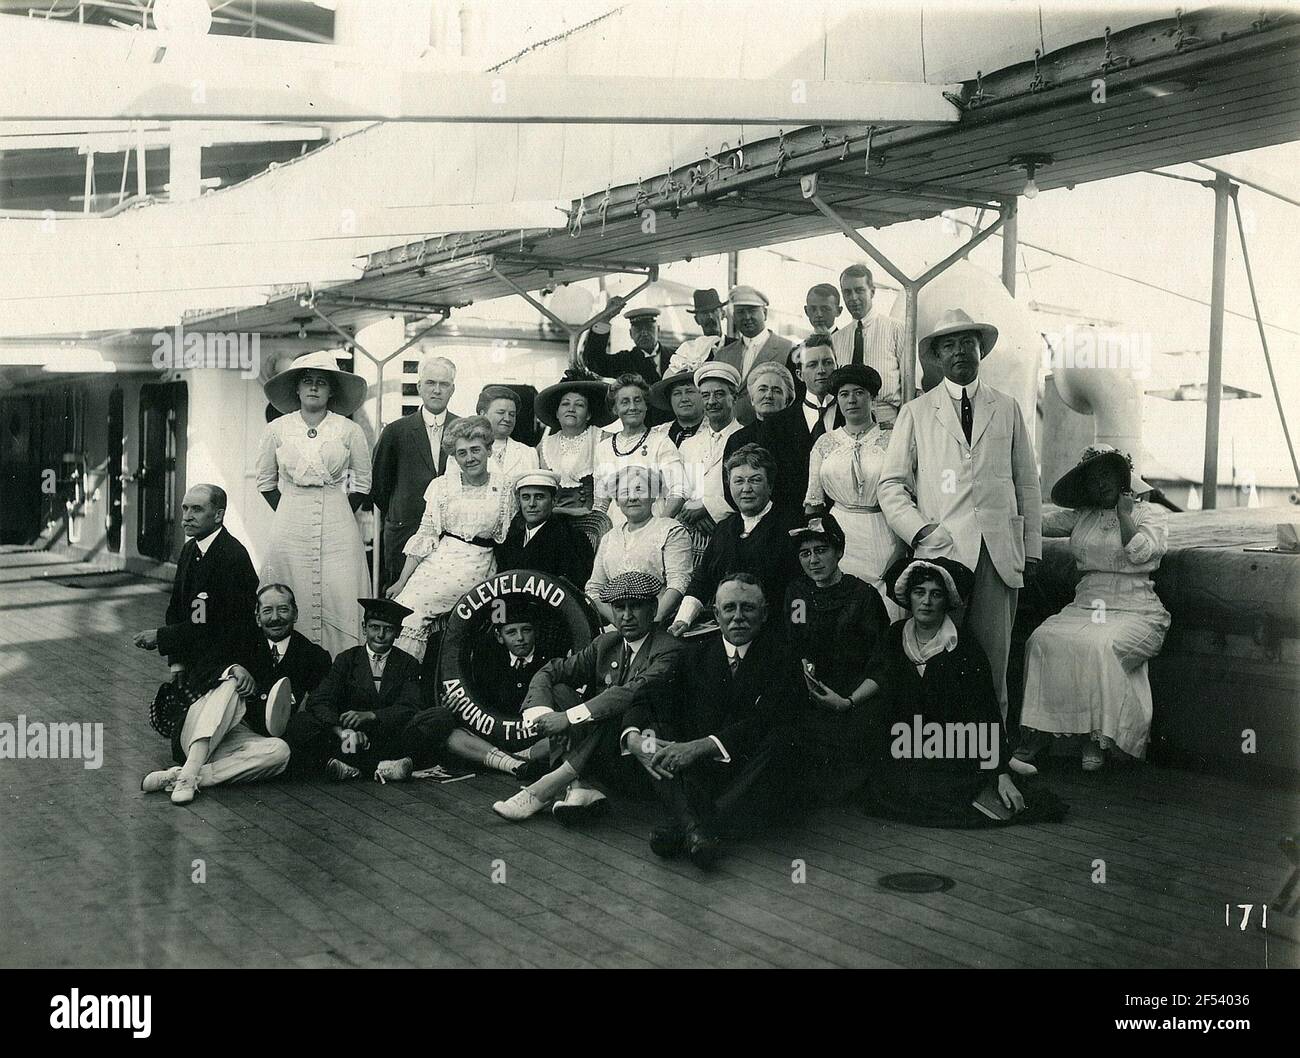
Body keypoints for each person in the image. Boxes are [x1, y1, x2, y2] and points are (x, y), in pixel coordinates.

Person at [878, 308, 1042, 716]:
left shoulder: (1006, 408)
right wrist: (920, 533)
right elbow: (891, 485)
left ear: (980, 350)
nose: (959, 352)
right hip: (940, 554)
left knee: (993, 662)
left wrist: (1032, 548)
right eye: (949, 345)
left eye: (967, 343)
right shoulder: (916, 412)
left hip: (996, 555)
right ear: (936, 356)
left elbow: (1027, 483)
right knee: (934, 657)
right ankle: (938, 763)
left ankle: (994, 761)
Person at [857, 557, 1065, 827]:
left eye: (936, 594)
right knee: (890, 792)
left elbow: (986, 711)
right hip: (907, 741)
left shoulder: (964, 646)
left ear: (947, 601)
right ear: (909, 597)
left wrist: (999, 772)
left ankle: (1005, 769)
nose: (927, 602)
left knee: (949, 797)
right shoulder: (896, 635)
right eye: (919, 593)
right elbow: (881, 683)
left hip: (951, 743)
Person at [627, 573, 802, 869]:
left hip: (748, 776)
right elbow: (647, 698)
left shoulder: (782, 660)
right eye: (729, 608)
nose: (738, 617)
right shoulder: (693, 656)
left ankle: (691, 823)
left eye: (748, 608)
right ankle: (696, 829)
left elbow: (765, 722)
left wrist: (701, 746)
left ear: (764, 613)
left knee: (783, 737)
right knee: (652, 731)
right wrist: (632, 738)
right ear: (716, 614)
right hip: (699, 775)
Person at [1014, 445, 1171, 772]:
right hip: (1087, 603)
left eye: (1106, 475)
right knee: (1041, 640)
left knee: (1099, 646)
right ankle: (1037, 734)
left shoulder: (1149, 514)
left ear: (1121, 476)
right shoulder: (1083, 515)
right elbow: (1038, 523)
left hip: (1136, 607)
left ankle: (1095, 739)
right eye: (1093, 479)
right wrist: (1002, 505)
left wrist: (1124, 514)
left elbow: (1142, 553)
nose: (1100, 484)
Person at [492, 571, 686, 823]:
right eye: (619, 607)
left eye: (635, 607)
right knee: (561, 689)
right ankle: (580, 787)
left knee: (613, 711)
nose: (626, 616)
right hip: (601, 755)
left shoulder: (669, 649)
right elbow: (551, 670)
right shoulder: (607, 643)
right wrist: (542, 713)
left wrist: (568, 718)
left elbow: (630, 694)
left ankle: (546, 787)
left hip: (643, 756)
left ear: (653, 608)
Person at [256, 350, 372, 655]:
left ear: (332, 389)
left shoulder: (350, 430)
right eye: (307, 380)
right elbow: (266, 482)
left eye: (322, 382)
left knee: (340, 593)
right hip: (289, 525)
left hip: (338, 527)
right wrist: (290, 509)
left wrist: (339, 511)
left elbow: (362, 481)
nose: (314, 387)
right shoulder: (276, 429)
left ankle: (341, 669)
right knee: (288, 592)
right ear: (296, 387)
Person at [783, 513, 891, 805]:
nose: (813, 560)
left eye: (821, 550)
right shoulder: (798, 595)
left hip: (856, 695)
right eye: (805, 553)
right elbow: (796, 639)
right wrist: (805, 665)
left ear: (839, 551)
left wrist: (847, 701)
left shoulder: (863, 597)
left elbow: (882, 663)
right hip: (813, 690)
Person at [386, 416, 515, 663]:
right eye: (461, 453)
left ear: (489, 450)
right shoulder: (441, 487)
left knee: (413, 612)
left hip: (477, 564)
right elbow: (426, 534)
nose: (470, 458)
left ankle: (408, 677)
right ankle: (403, 684)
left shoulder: (505, 488)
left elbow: (509, 537)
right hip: (440, 559)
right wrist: (402, 581)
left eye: (476, 450)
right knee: (401, 608)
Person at [390, 603, 553, 784]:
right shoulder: (487, 660)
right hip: (491, 736)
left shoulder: (550, 660)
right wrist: (451, 703)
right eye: (511, 632)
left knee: (561, 740)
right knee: (453, 738)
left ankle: (505, 760)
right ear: (499, 637)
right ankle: (514, 764)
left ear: (535, 632)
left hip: (532, 739)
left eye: (526, 630)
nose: (520, 638)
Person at [132, 484, 259, 694]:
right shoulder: (190, 548)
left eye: (197, 509)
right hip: (195, 665)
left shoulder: (233, 556)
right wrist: (177, 662)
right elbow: (177, 609)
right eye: (185, 508)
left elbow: (217, 624)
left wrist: (161, 637)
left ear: (218, 515)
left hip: (229, 670)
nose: (187, 517)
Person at [283, 598, 424, 782]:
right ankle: (378, 768)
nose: (380, 635)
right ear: (364, 628)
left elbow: (410, 705)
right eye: (374, 627)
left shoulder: (408, 663)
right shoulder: (347, 659)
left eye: (388, 629)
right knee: (301, 722)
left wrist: (372, 715)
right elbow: (319, 700)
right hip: (350, 742)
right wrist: (341, 731)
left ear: (398, 632)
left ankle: (358, 769)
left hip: (388, 737)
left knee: (439, 717)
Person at [669, 444, 800, 635]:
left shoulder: (790, 526)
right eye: (738, 481)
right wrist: (683, 619)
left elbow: (800, 592)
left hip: (777, 631)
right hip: (728, 630)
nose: (746, 488)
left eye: (755, 480)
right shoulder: (724, 528)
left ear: (770, 486)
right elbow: (702, 579)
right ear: (729, 485)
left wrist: (798, 631)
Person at [805, 363, 903, 614]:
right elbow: (814, 502)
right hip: (839, 532)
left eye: (859, 392)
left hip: (883, 529)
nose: (852, 400)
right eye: (844, 394)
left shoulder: (893, 441)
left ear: (873, 397)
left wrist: (902, 545)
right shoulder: (825, 443)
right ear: (837, 400)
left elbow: (906, 494)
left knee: (884, 605)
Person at [372, 355, 460, 587]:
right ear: (419, 386)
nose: (437, 390)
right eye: (431, 383)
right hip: (405, 532)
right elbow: (380, 488)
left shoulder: (463, 429)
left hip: (451, 537)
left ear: (453, 389)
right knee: (401, 602)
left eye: (444, 384)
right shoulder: (395, 432)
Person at [586, 465, 693, 625]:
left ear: (653, 495)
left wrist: (652, 622)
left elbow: (679, 582)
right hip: (620, 626)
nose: (632, 498)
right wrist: (619, 622)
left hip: (660, 623)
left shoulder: (670, 530)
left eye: (639, 490)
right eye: (624, 493)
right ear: (616, 500)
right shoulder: (609, 538)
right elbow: (594, 589)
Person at [534, 367, 615, 549]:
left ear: (588, 414)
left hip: (594, 526)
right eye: (565, 404)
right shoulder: (544, 446)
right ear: (556, 412)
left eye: (579, 404)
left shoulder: (604, 440)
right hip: (553, 524)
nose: (571, 409)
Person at [593, 372, 685, 530]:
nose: (632, 407)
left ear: (646, 405)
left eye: (637, 400)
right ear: (615, 408)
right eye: (624, 402)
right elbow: (601, 502)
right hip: (615, 530)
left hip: (653, 526)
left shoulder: (660, 442)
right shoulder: (604, 447)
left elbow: (679, 491)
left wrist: (658, 528)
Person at [675, 362, 744, 565]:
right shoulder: (688, 445)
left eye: (719, 394)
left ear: (735, 397)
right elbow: (677, 487)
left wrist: (709, 508)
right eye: (705, 395)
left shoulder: (746, 438)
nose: (712, 401)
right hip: (690, 537)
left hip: (729, 531)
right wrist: (692, 512)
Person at [720, 361, 802, 515]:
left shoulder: (799, 436)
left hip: (789, 518)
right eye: (762, 389)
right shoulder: (738, 439)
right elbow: (730, 489)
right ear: (752, 399)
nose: (768, 395)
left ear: (787, 400)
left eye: (776, 390)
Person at [829, 263, 907, 426]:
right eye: (847, 292)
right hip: (849, 422)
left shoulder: (896, 329)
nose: (853, 298)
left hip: (887, 420)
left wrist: (902, 427)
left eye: (859, 290)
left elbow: (913, 387)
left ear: (872, 291)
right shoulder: (837, 339)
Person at [496, 470, 595, 588]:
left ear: (554, 501)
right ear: (519, 502)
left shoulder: (572, 539)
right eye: (526, 497)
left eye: (539, 497)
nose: (532, 504)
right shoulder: (511, 540)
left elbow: (573, 593)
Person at [713, 285, 796, 424]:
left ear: (765, 313)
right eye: (740, 312)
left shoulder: (788, 349)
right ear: (733, 316)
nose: (747, 317)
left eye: (752, 311)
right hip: (729, 435)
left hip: (771, 432)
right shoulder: (723, 355)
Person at [580, 303, 666, 383]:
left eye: (649, 327)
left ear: (658, 330)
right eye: (638, 329)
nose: (644, 333)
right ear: (630, 334)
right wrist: (606, 318)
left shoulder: (676, 356)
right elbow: (594, 361)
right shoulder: (624, 361)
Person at [478, 384, 539, 484]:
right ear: (483, 414)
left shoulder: (528, 454)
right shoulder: (465, 450)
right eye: (501, 412)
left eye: (512, 414)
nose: (507, 419)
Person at [665, 288, 727, 375]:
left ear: (723, 314)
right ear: (696, 319)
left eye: (713, 311)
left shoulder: (737, 346)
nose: (710, 317)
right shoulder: (690, 352)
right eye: (704, 313)